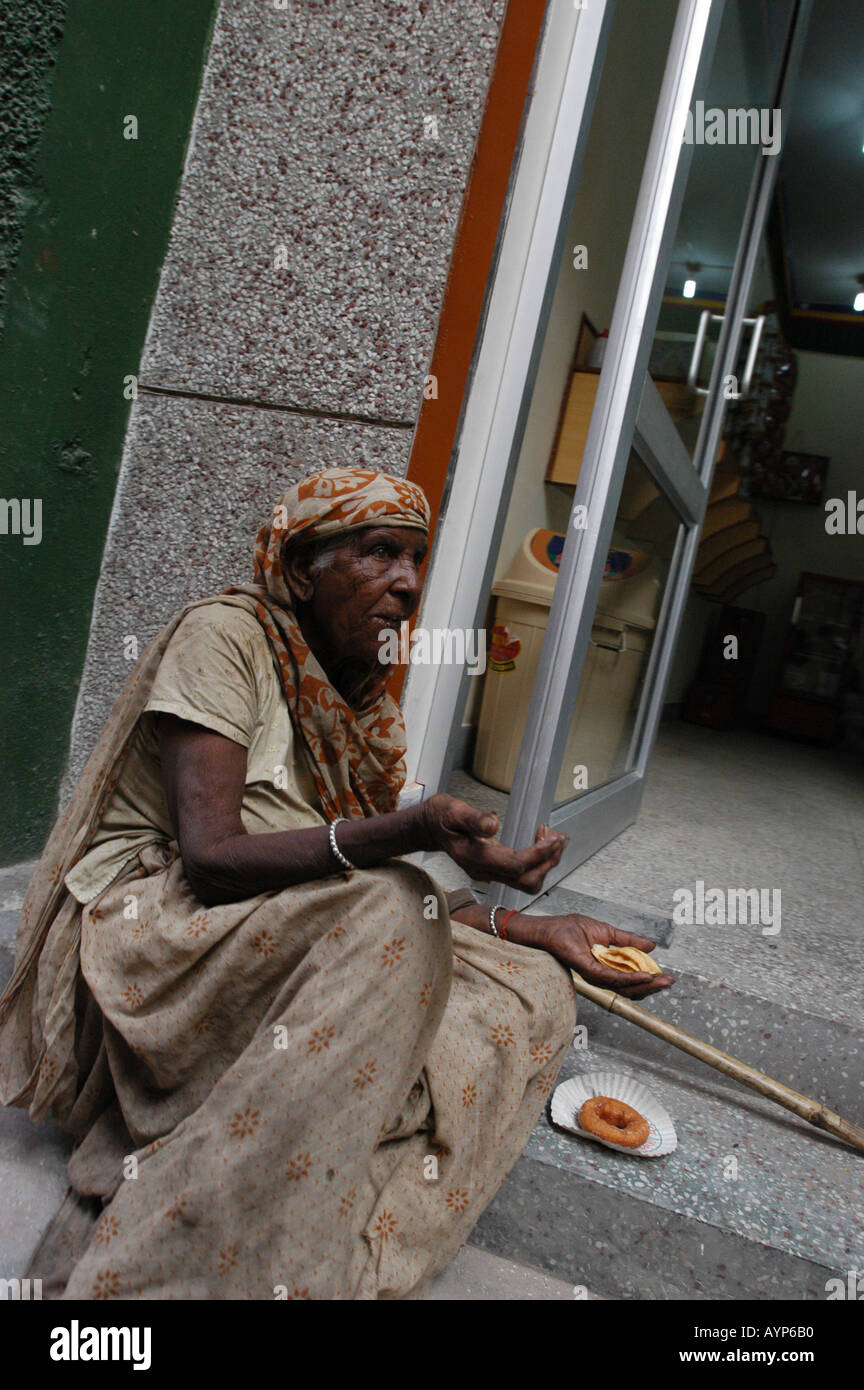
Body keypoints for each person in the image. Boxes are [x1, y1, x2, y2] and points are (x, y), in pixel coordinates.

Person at [0, 466, 673, 1300]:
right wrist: (413, 832)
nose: (408, 583)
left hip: (268, 927)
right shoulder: (225, 636)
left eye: (418, 559)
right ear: (297, 572)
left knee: (529, 983)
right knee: (398, 905)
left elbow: (341, 877)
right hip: (157, 926)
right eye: (380, 552)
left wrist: (534, 927)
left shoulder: (359, 701)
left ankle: (308, 1141)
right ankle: (183, 1259)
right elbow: (213, 859)